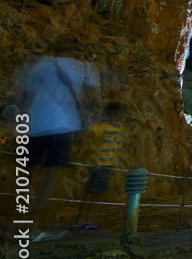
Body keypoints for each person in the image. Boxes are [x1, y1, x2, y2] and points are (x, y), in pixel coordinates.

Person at [14, 54, 101, 241]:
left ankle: (13, 224)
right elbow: (92, 96)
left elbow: (27, 98)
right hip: (60, 126)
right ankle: (32, 227)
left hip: (34, 127)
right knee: (49, 177)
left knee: (24, 174)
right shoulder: (82, 66)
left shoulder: (34, 65)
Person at [71, 101, 123, 231]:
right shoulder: (101, 127)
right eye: (117, 115)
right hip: (96, 165)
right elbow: (87, 133)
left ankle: (88, 219)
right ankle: (79, 220)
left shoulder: (116, 130)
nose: (119, 118)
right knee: (90, 192)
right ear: (110, 114)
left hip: (106, 166)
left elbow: (112, 150)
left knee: (96, 193)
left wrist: (113, 166)